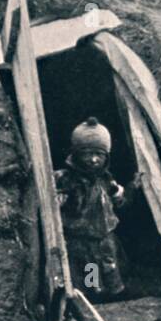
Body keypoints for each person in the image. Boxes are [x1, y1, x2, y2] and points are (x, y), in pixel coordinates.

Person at [55, 117, 129, 301]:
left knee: (111, 272)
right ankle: (95, 305)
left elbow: (118, 201)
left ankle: (115, 298)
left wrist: (120, 194)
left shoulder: (105, 178)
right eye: (87, 154)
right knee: (91, 278)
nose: (94, 159)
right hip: (83, 241)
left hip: (105, 238)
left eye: (99, 154)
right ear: (76, 154)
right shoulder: (66, 179)